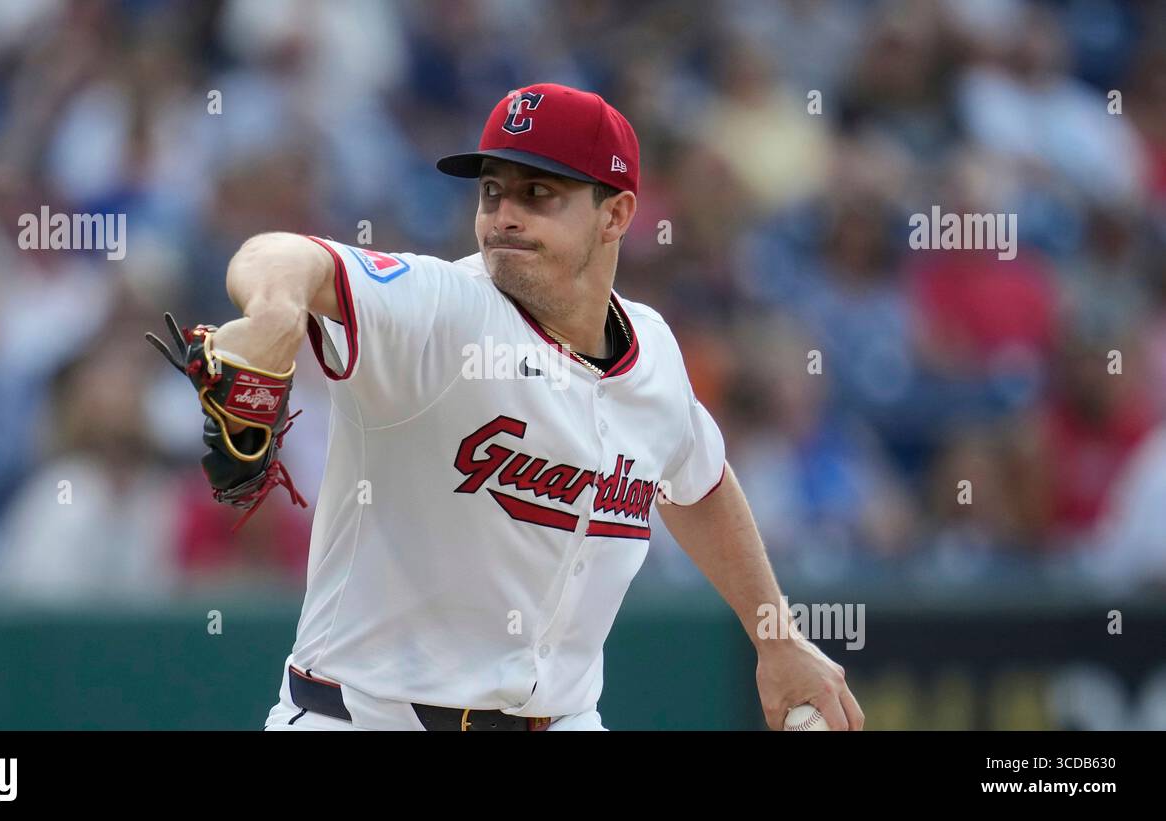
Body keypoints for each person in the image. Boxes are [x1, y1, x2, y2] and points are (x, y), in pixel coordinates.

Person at [155, 83, 863, 731]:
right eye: (492, 192)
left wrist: (777, 637)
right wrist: (276, 311)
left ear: (616, 213)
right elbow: (283, 254)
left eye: (538, 193)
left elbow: (699, 481)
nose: (505, 217)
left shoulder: (651, 351)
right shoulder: (443, 309)